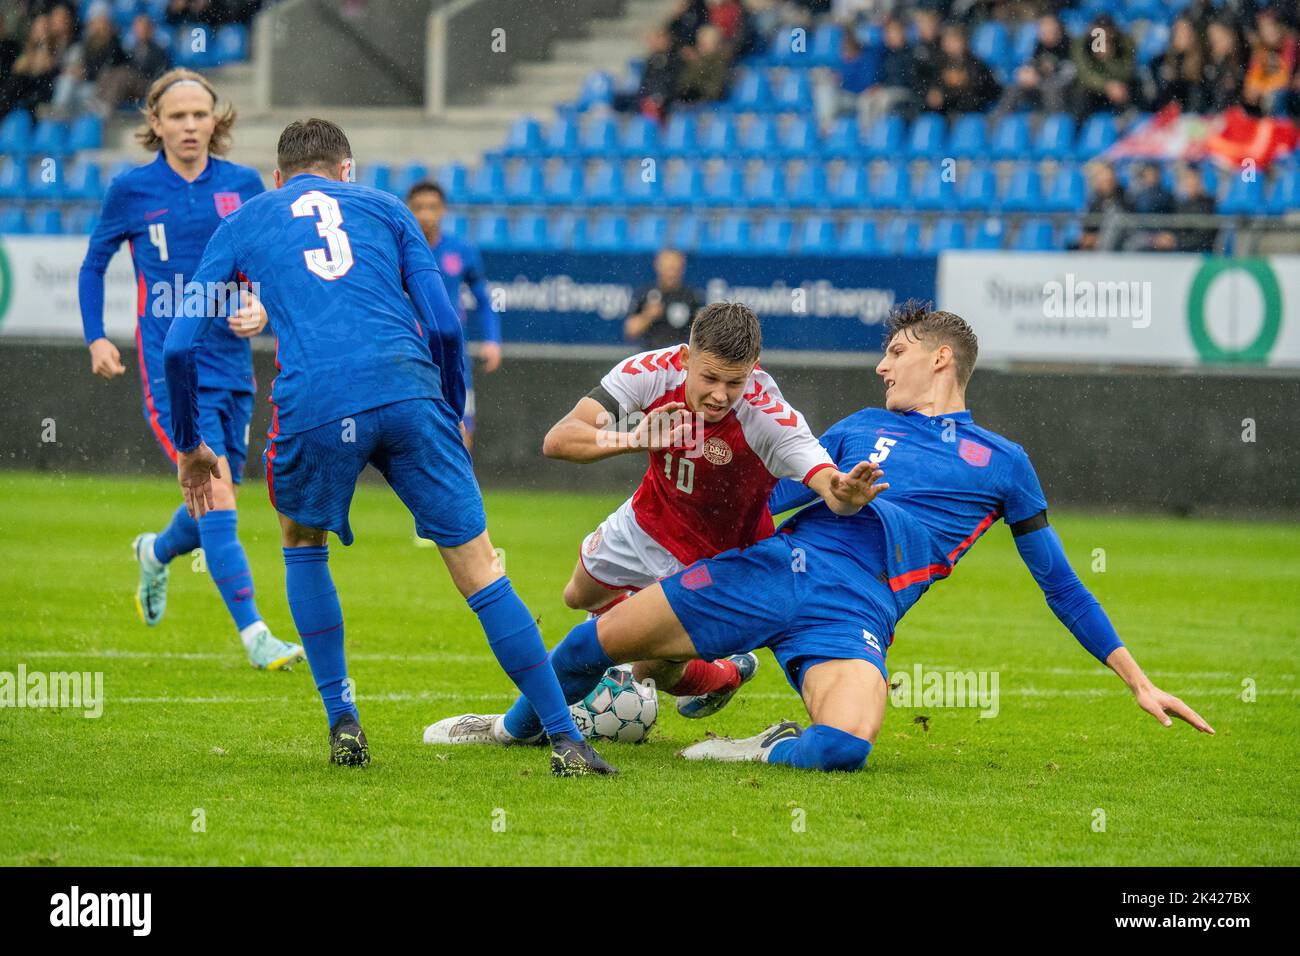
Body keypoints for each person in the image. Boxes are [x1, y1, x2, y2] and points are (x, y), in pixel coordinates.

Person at [460, 303, 1214, 773]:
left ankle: (754, 746)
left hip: (857, 616)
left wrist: (1136, 678)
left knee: (847, 746)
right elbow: (776, 488)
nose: (883, 363)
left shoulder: (1007, 465)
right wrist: (810, 487)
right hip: (774, 569)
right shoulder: (858, 426)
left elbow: (1059, 581)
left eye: (898, 351)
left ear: (940, 357)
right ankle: (509, 731)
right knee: (593, 640)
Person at [162, 117, 614, 776]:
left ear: (280, 177)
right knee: (481, 568)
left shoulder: (245, 222)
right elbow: (445, 327)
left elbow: (179, 345)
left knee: (302, 544)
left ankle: (343, 719)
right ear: (348, 170)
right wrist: (451, 408)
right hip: (410, 392)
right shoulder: (386, 207)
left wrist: (190, 446)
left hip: (314, 402)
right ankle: (564, 737)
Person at [423, 303, 904, 748]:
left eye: (734, 382)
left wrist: (843, 495)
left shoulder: (771, 418)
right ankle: (690, 652)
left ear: (754, 368)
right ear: (687, 354)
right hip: (648, 521)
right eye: (709, 377)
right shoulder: (649, 372)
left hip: (717, 560)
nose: (719, 395)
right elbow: (559, 440)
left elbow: (828, 484)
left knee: (649, 665)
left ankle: (716, 675)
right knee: (577, 596)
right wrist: (633, 438)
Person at [77, 68, 301, 671]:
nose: (190, 126)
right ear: (154, 123)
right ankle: (256, 635)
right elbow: (93, 264)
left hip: (232, 366)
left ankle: (156, 552)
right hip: (171, 368)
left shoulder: (242, 183)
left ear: (215, 120)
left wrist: (259, 303)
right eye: (177, 116)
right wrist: (96, 336)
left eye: (199, 115)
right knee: (219, 490)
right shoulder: (131, 189)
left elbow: (268, 260)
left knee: (213, 494)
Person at [404, 180, 501, 452]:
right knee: (412, 430)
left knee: (461, 429)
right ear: (408, 210)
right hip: (409, 352)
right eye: (419, 207)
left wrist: (492, 340)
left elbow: (483, 298)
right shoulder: (398, 251)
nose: (426, 214)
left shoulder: (461, 250)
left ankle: (459, 492)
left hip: (452, 355)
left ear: (443, 210)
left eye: (432, 207)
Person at [997, 13, 1076, 115]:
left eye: (1048, 26)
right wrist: (1027, 73)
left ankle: (1053, 122)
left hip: (1063, 91)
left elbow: (1071, 73)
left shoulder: (1068, 45)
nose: (1044, 30)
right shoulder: (1039, 45)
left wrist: (1043, 79)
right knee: (1015, 86)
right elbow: (1032, 63)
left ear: (1057, 28)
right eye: (1042, 26)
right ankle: (999, 120)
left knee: (1051, 89)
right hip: (1040, 86)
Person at [624, 248, 701, 349]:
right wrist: (648, 316)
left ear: (682, 268)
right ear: (658, 267)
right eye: (667, 268)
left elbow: (701, 332)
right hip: (652, 355)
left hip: (681, 357)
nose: (670, 273)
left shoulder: (691, 296)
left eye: (674, 268)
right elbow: (630, 331)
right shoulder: (646, 293)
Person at [924, 24, 1001, 117]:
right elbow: (934, 86)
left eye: (954, 40)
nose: (950, 45)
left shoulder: (976, 65)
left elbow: (979, 93)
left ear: (964, 42)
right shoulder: (939, 63)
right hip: (946, 110)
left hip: (970, 111)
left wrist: (957, 88)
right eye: (948, 41)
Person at [1070, 14, 1137, 120]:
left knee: (1133, 87)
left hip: (1117, 87)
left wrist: (1110, 60)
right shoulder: (1081, 44)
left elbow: (1128, 70)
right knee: (1080, 93)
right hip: (1092, 90)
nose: (1103, 37)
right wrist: (1106, 85)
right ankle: (1080, 126)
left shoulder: (1125, 43)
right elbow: (1084, 74)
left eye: (1106, 32)